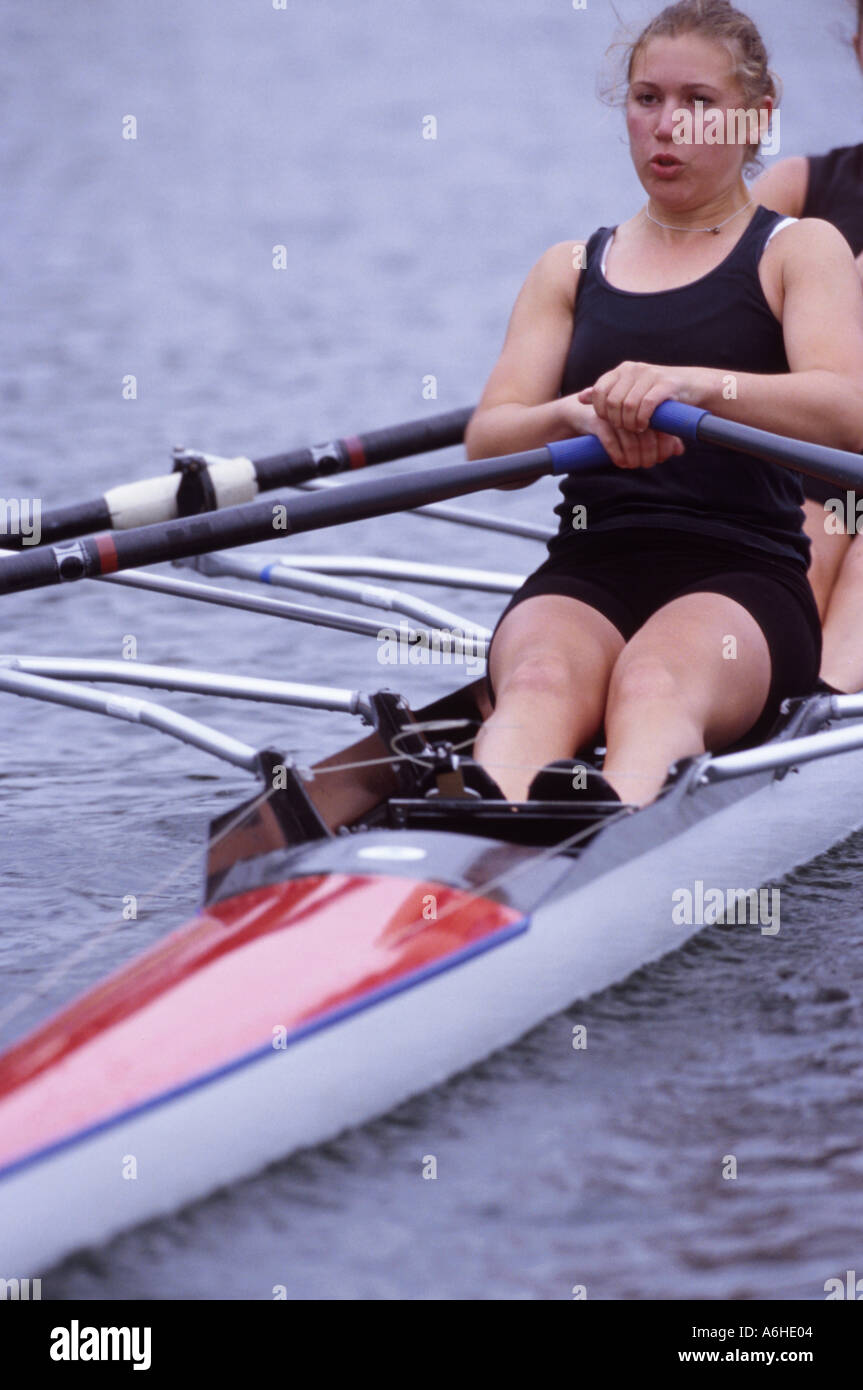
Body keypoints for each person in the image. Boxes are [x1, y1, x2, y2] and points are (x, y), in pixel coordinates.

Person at [463, 0, 863, 809]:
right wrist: (567, 415)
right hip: (589, 563)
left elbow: (847, 412)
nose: (666, 125)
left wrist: (687, 385)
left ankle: (604, 839)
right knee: (535, 678)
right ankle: (467, 851)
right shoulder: (569, 267)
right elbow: (488, 445)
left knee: (650, 684)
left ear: (755, 118)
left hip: (743, 578)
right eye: (646, 99)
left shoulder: (797, 250)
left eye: (698, 103)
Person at [750, 1, 863, 693]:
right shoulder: (797, 188)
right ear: (856, 48)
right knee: (803, 545)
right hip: (816, 467)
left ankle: (820, 712)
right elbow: (701, 299)